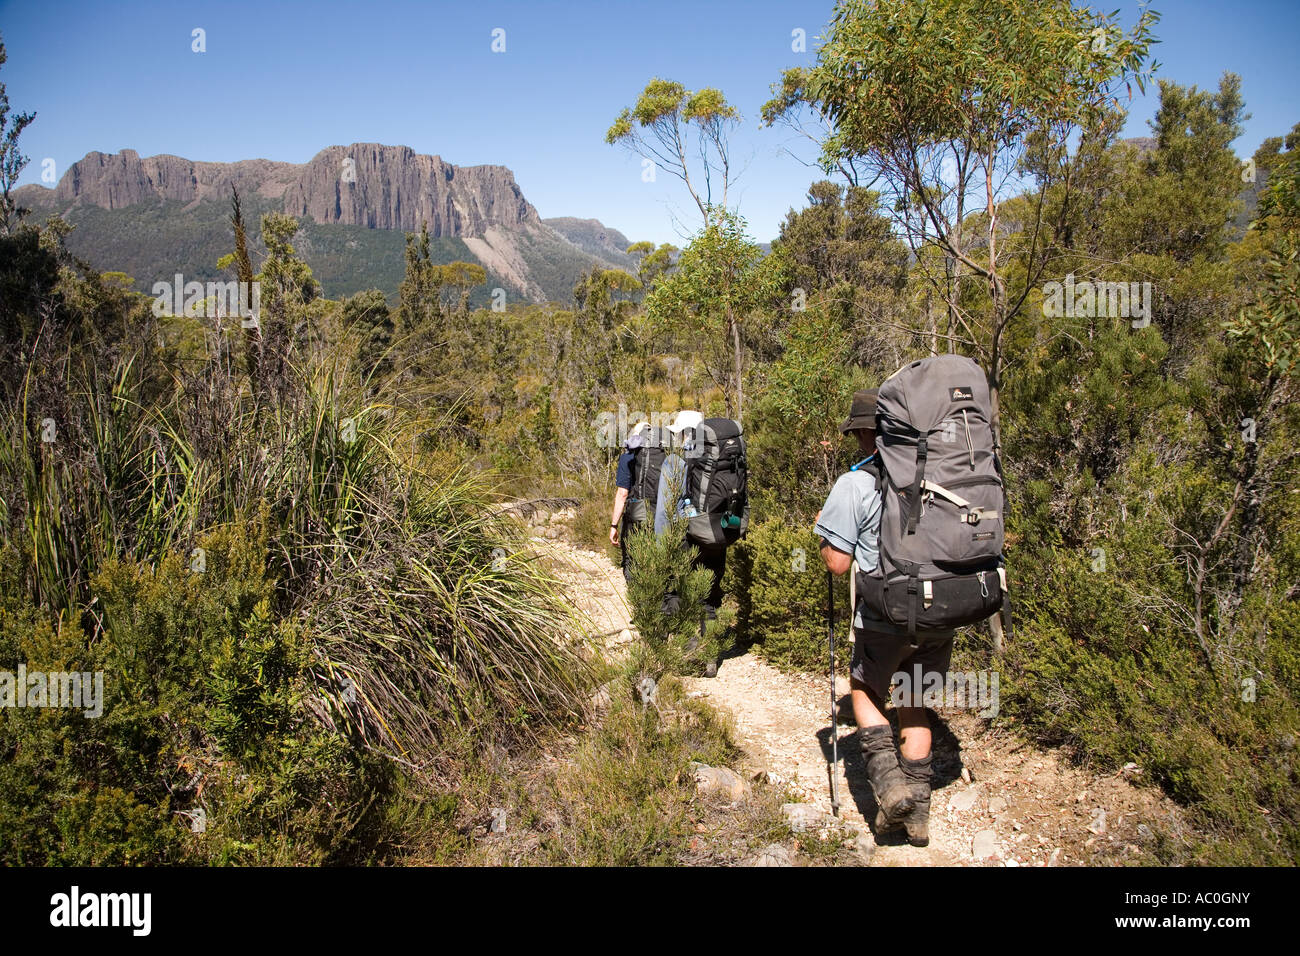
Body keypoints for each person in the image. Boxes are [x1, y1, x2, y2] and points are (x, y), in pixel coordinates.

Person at [814, 388, 956, 847]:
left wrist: (825, 536)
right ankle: (918, 817)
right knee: (914, 697)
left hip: (884, 611)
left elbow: (837, 563)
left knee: (866, 690)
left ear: (862, 433)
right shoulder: (940, 475)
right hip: (941, 609)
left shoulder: (855, 483)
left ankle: (891, 787)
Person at [609, 421, 653, 580]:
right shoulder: (661, 456)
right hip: (658, 514)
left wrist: (614, 525)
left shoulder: (627, 457)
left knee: (631, 560)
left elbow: (622, 494)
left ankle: (638, 597)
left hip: (635, 516)